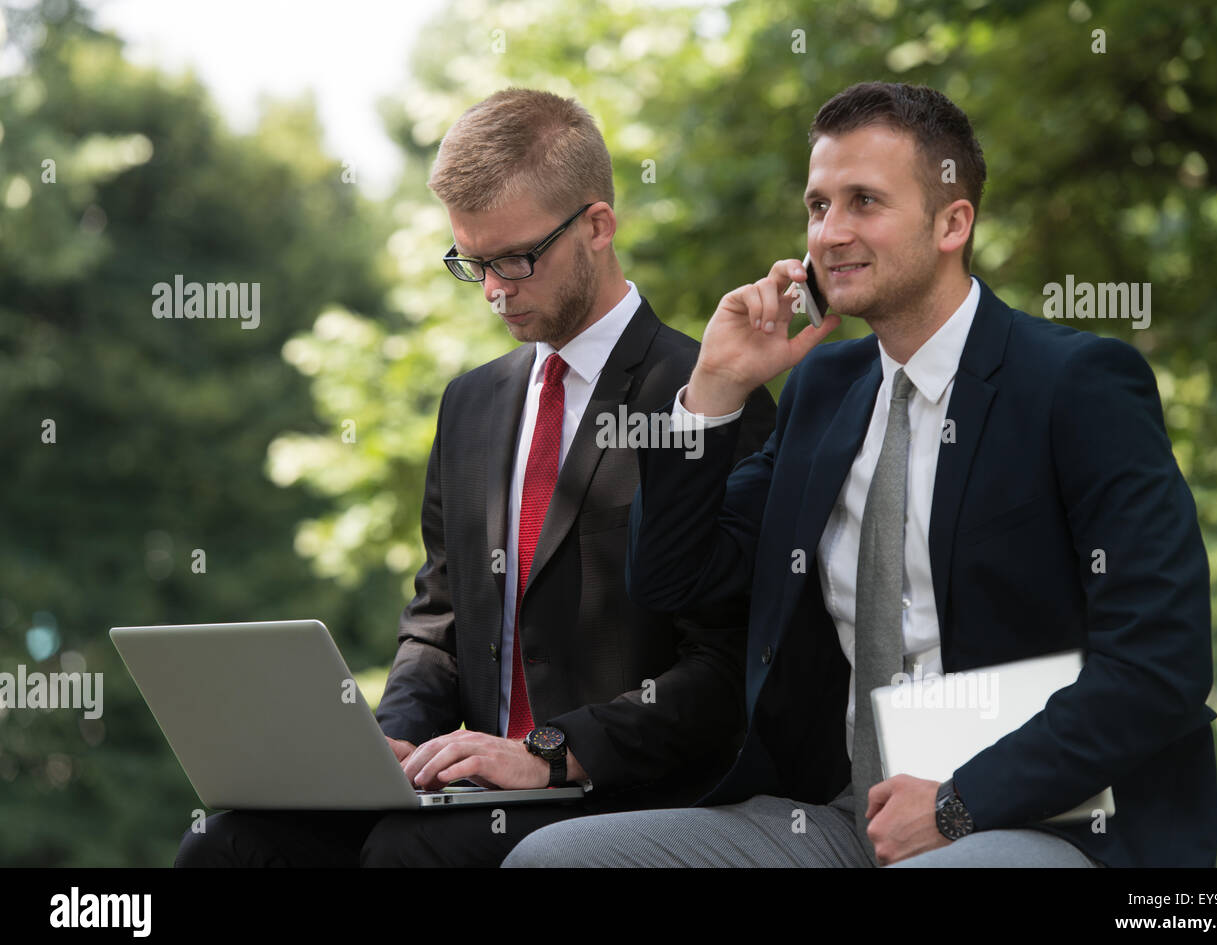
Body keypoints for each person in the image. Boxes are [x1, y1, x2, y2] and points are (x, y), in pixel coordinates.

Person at [503, 81, 1217, 868]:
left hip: (1042, 817)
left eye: (864, 202)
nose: (830, 234)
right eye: (817, 207)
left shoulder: (1076, 384)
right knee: (553, 857)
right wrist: (713, 393)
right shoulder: (822, 391)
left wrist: (956, 802)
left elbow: (1159, 667)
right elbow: (676, 578)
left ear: (953, 222)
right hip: (841, 816)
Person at [174, 88, 775, 867]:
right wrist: (391, 741)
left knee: (408, 851)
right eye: (473, 263)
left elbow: (726, 669)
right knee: (225, 844)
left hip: (624, 789)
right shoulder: (472, 403)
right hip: (470, 791)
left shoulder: (708, 394)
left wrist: (550, 751)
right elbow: (440, 620)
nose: (494, 290)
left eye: (516, 259)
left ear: (598, 226)